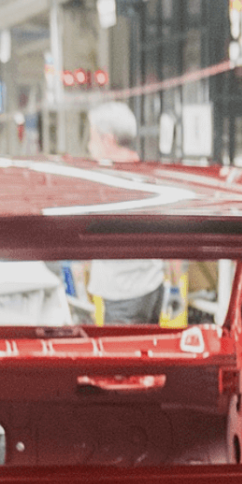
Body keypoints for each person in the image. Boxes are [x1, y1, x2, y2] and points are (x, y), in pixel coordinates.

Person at [83, 101, 164, 325]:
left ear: (107, 140)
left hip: (124, 293)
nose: (90, 146)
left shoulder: (109, 181)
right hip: (152, 287)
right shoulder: (147, 175)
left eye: (92, 138)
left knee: (125, 358)